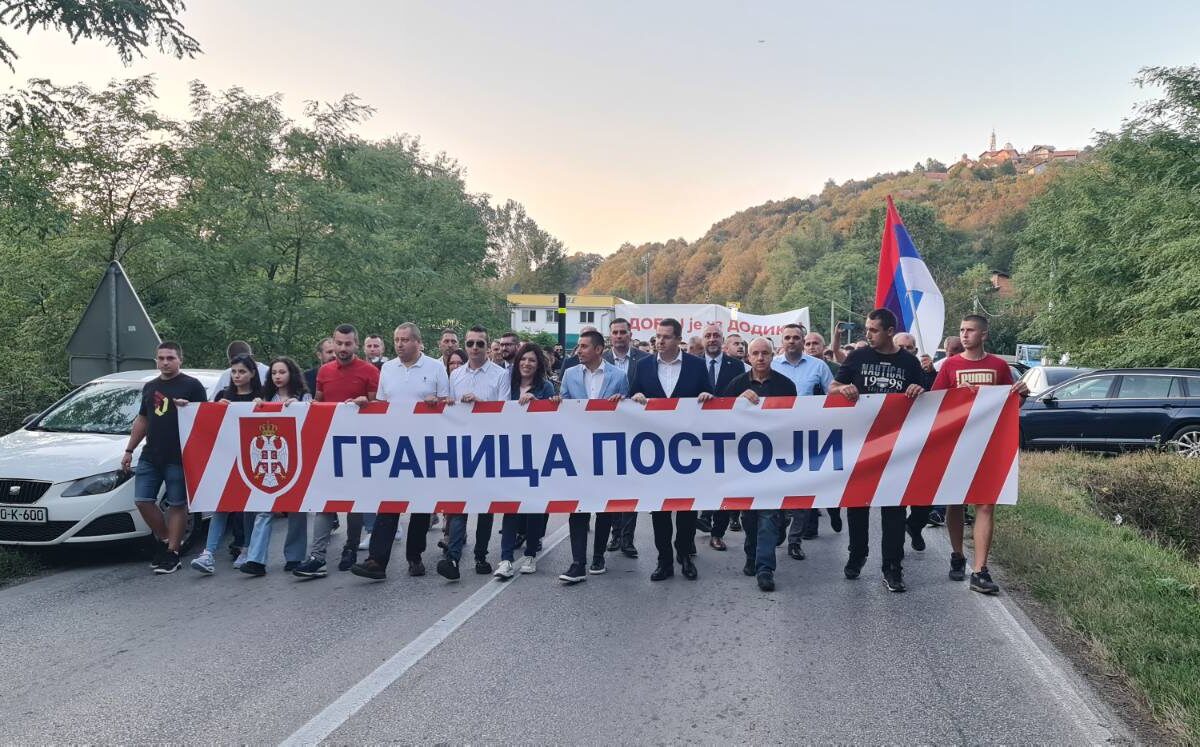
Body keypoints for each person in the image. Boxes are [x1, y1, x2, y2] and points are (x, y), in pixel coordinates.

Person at [830, 308, 926, 593]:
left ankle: (893, 568)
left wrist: (917, 390)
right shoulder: (858, 357)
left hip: (897, 449)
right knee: (857, 506)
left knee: (894, 511)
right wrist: (843, 389)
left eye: (873, 330)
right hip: (861, 446)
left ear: (889, 331)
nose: (868, 334)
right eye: (867, 329)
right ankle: (857, 554)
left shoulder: (908, 362)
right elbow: (832, 386)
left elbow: (927, 397)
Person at [933, 314, 1029, 594]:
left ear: (984, 335)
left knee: (986, 504)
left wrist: (1022, 393)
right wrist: (954, 396)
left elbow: (1010, 401)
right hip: (957, 444)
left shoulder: (998, 366)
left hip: (989, 444)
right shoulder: (950, 365)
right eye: (961, 330)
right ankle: (957, 554)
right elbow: (934, 402)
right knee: (955, 502)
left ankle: (980, 570)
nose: (964, 335)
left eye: (970, 330)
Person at [350, 323, 451, 581]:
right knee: (388, 503)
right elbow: (382, 404)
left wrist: (436, 403)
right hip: (394, 446)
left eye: (405, 339)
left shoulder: (435, 368)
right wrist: (366, 405)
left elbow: (448, 405)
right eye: (396, 340)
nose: (399, 344)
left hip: (425, 446)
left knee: (419, 506)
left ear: (418, 342)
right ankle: (377, 560)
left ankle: (414, 556)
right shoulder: (387, 369)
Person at [293, 324, 380, 579]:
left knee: (353, 504)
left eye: (348, 344)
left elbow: (380, 406)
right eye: (339, 343)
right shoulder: (324, 372)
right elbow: (318, 403)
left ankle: (351, 548)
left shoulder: (369, 371)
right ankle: (317, 556)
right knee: (324, 502)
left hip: (358, 447)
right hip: (328, 446)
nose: (343, 348)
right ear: (333, 343)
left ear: (356, 344)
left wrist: (367, 402)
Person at [630, 318, 714, 581]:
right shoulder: (642, 366)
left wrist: (707, 398)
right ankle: (663, 559)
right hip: (655, 454)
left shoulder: (697, 366)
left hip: (687, 452)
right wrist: (636, 399)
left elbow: (710, 397)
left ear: (679, 339)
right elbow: (632, 397)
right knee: (660, 510)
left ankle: (685, 555)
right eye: (657, 336)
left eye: (666, 337)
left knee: (687, 509)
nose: (660, 341)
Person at [121, 341, 207, 574]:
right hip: (151, 454)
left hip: (179, 455)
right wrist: (129, 450)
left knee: (177, 504)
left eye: (170, 358)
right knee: (142, 500)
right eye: (161, 358)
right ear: (156, 360)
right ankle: (166, 541)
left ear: (180, 359)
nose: (165, 362)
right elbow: (143, 419)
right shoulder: (150, 387)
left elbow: (206, 420)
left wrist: (189, 408)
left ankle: (173, 553)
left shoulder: (192, 385)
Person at [722, 337, 798, 591]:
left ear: (773, 355)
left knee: (768, 514)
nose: (760, 358)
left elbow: (794, 421)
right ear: (748, 357)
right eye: (755, 353)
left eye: (765, 353)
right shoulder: (737, 384)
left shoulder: (786, 385)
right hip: (744, 462)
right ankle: (751, 554)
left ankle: (765, 568)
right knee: (749, 515)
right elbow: (720, 419)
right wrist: (737, 401)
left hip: (775, 462)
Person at [556, 330, 629, 584]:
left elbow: (628, 414)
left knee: (603, 507)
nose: (579, 351)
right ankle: (578, 562)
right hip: (577, 452)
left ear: (599, 349)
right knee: (577, 508)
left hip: (606, 453)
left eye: (584, 346)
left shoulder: (619, 376)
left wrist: (623, 400)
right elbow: (563, 407)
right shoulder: (570, 374)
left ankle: (598, 555)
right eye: (578, 347)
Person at [441, 326, 511, 580]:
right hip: (462, 444)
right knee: (459, 503)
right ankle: (453, 556)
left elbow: (505, 407)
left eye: (479, 344)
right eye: (470, 343)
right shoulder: (456, 375)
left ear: (487, 345)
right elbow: (448, 408)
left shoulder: (500, 374)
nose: (474, 348)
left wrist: (480, 403)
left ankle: (481, 554)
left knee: (485, 506)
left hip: (489, 444)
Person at [191, 354, 264, 574]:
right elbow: (206, 424)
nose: (237, 376)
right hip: (226, 458)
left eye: (242, 371)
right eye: (233, 372)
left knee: (248, 508)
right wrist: (213, 408)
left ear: (252, 373)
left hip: (252, 460)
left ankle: (246, 549)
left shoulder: (261, 397)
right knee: (221, 505)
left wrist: (262, 407)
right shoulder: (223, 395)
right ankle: (208, 553)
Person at [239, 356, 312, 576]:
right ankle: (256, 558)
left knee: (297, 511)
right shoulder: (264, 398)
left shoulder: (303, 396)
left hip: (297, 458)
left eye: (282, 372)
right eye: (274, 373)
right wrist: (255, 408)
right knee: (264, 508)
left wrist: (300, 407)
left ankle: (295, 556)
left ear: (291, 373)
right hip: (270, 463)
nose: (278, 376)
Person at [494, 343, 558, 580]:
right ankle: (506, 558)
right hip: (510, 452)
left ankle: (530, 553)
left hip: (537, 453)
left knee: (533, 507)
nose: (526, 364)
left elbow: (553, 418)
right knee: (511, 507)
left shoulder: (546, 386)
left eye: (532, 360)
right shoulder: (507, 385)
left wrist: (538, 403)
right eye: (523, 359)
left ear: (538, 364)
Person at [772, 323, 835, 558]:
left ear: (802, 341)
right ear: (782, 341)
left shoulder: (819, 366)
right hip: (776, 436)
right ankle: (778, 524)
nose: (791, 341)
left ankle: (795, 540)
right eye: (787, 337)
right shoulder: (771, 364)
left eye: (796, 337)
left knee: (803, 491)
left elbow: (833, 393)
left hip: (807, 437)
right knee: (777, 488)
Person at [695, 323, 748, 550]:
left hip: (729, 434)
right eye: (708, 336)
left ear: (723, 341)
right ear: (702, 340)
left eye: (716, 335)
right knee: (700, 483)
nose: (712, 339)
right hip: (696, 435)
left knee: (726, 485)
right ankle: (695, 527)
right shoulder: (692, 365)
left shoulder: (737, 366)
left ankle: (718, 532)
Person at [600, 318, 650, 555]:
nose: (619, 336)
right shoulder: (601, 360)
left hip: (636, 430)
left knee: (631, 486)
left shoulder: (645, 360)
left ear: (631, 335)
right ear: (609, 337)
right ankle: (615, 534)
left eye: (623, 332)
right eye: (615, 333)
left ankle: (628, 539)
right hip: (607, 432)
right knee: (611, 486)